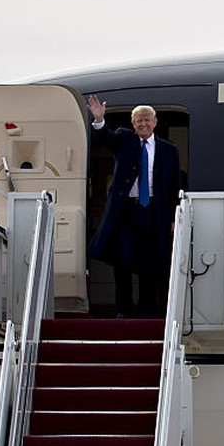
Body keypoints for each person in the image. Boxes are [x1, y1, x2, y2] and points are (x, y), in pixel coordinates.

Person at [86, 95, 181, 318]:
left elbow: (175, 185)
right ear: (133, 123)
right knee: (123, 262)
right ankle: (123, 311)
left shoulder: (169, 150)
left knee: (151, 264)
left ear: (155, 122)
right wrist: (99, 120)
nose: (143, 123)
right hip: (127, 212)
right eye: (139, 120)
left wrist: (173, 217)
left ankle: (147, 312)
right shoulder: (124, 139)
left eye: (147, 120)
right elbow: (105, 139)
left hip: (153, 213)